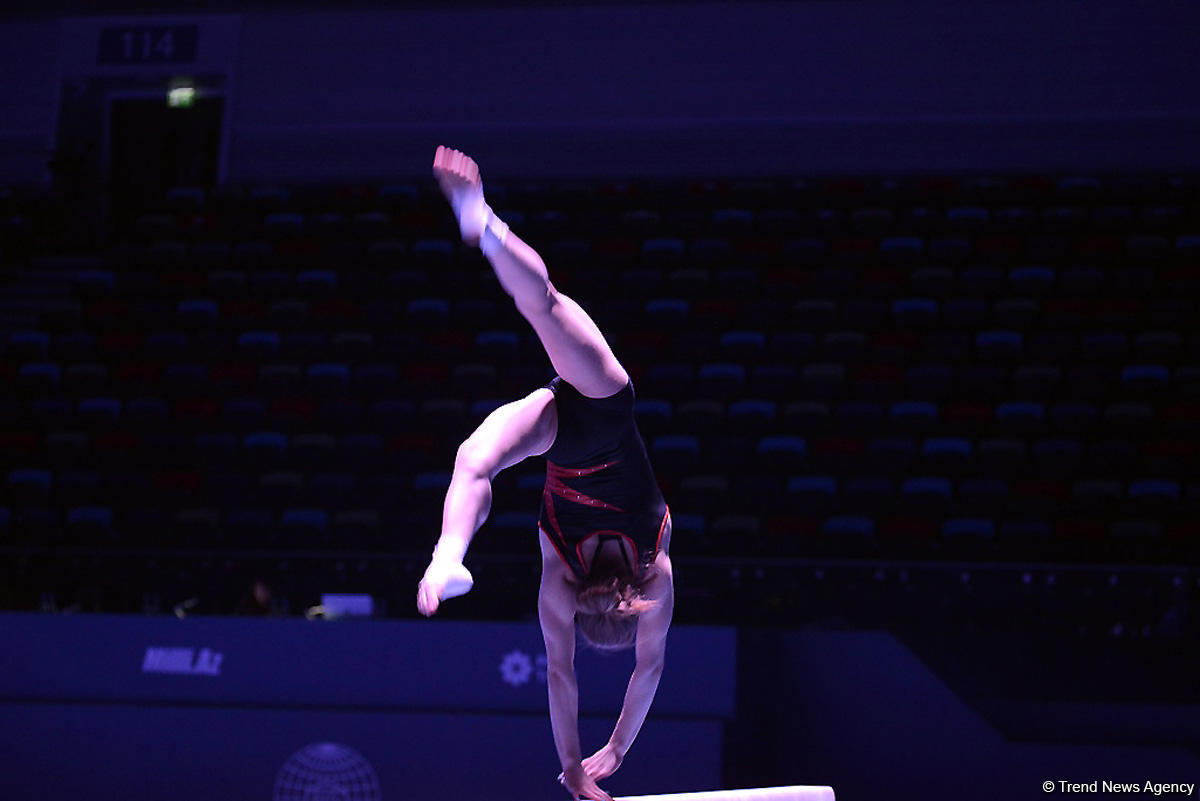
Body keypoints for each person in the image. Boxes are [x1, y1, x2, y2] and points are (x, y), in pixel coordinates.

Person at [417, 146, 674, 801]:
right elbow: (560, 673)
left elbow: (648, 667)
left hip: (600, 408)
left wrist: (605, 752)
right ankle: (446, 555)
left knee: (547, 307)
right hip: (568, 429)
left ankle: (487, 223)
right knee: (476, 459)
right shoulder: (561, 577)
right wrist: (576, 762)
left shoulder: (656, 570)